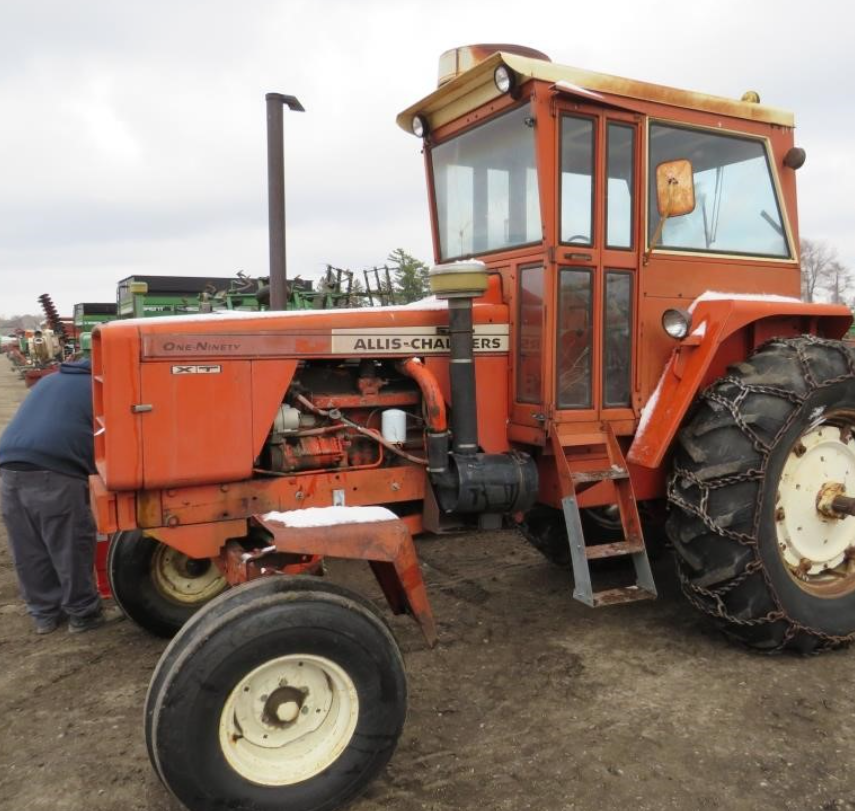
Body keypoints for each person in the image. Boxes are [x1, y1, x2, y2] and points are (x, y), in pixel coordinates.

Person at [0, 358, 103, 634]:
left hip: (9, 468)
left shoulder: (49, 380)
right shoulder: (100, 387)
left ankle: (44, 615)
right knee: (68, 544)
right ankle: (83, 614)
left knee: (29, 547)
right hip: (54, 471)